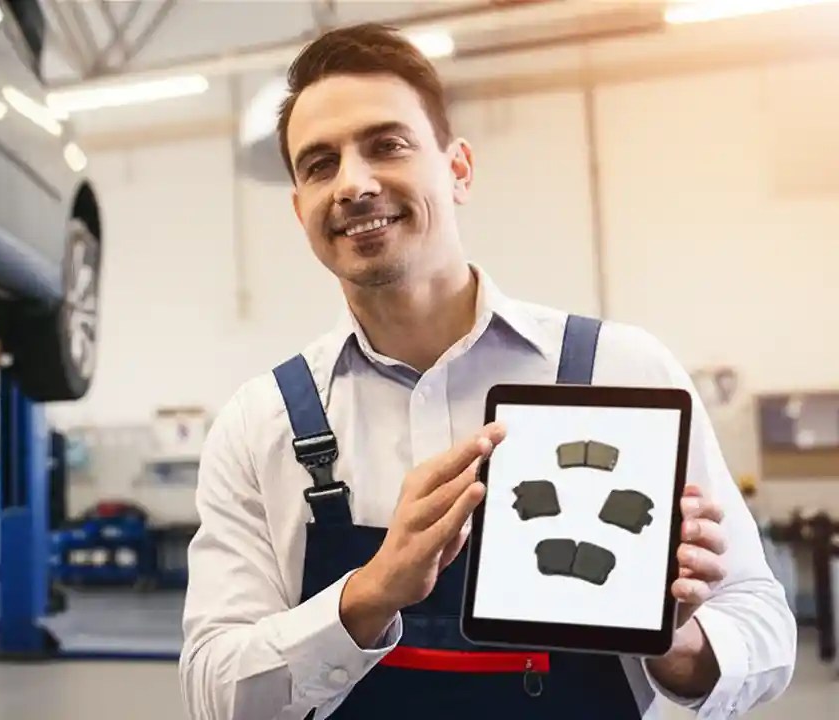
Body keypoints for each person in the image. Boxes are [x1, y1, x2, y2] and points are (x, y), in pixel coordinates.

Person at [178, 22, 797, 720]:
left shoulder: (622, 374)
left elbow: (762, 624)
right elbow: (215, 692)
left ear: (459, 169)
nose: (352, 183)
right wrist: (372, 591)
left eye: (387, 145)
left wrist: (676, 639)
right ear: (301, 211)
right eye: (320, 164)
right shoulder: (260, 424)